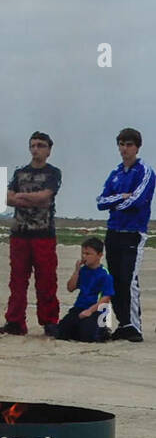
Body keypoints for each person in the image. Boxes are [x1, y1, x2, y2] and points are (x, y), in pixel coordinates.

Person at [0, 131, 61, 338]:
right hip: (20, 234)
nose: (36, 149)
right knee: (17, 280)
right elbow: (7, 198)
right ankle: (15, 321)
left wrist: (22, 196)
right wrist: (29, 198)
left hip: (43, 234)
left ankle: (50, 321)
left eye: (41, 145)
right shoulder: (19, 173)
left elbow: (45, 197)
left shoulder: (53, 173)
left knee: (46, 280)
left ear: (49, 150)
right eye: (33, 145)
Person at [96, 127, 152, 343]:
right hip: (114, 232)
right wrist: (120, 198)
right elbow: (101, 201)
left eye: (129, 145)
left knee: (129, 280)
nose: (125, 149)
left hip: (133, 233)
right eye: (121, 144)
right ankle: (123, 323)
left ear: (137, 147)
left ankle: (135, 327)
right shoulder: (115, 173)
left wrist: (117, 202)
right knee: (115, 279)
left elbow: (137, 200)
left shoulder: (145, 172)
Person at [56, 238, 114, 343]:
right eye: (83, 253)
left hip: (97, 310)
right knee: (61, 332)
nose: (84, 256)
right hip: (80, 307)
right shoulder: (83, 271)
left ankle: (103, 330)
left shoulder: (105, 275)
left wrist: (90, 311)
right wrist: (77, 270)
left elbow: (106, 298)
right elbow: (70, 288)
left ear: (99, 255)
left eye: (88, 254)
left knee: (88, 337)